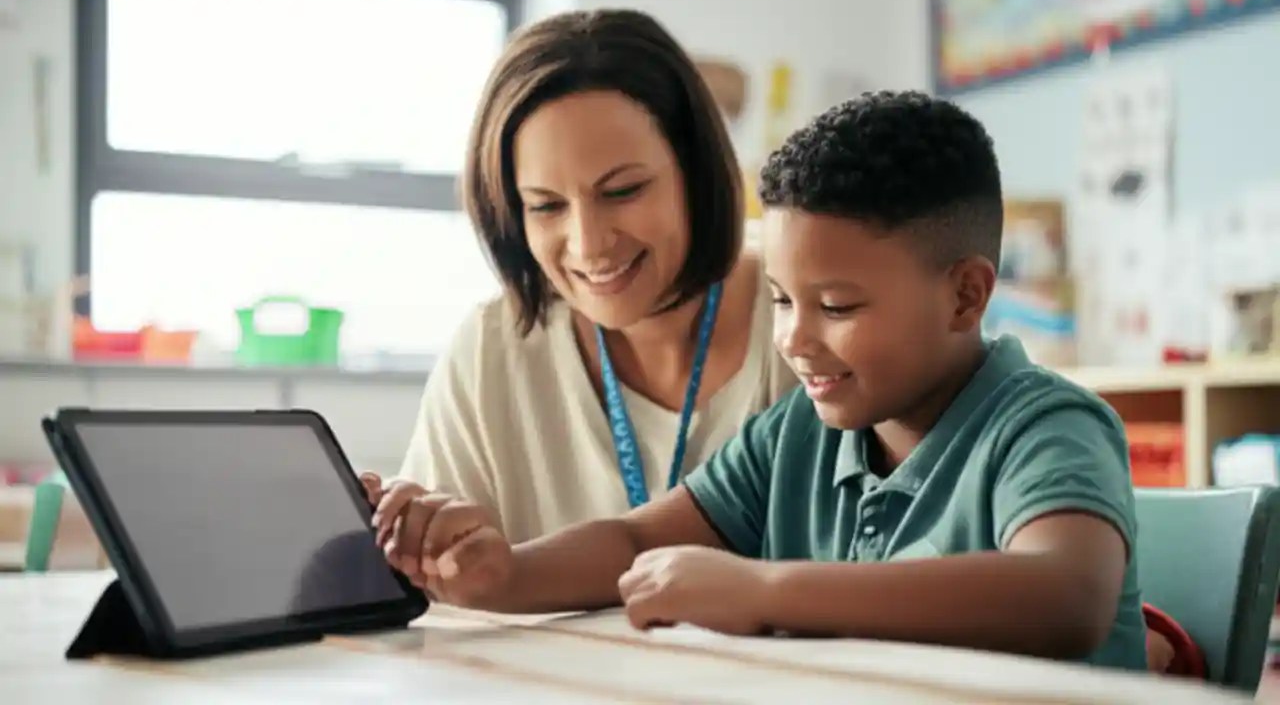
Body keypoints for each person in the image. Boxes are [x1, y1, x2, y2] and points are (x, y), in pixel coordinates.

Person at [370, 91, 1148, 670]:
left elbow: (1063, 598)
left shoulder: (1044, 425)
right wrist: (505, 571)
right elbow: (638, 537)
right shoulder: (799, 435)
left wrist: (763, 590)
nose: (795, 340)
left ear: (967, 295)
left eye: (837, 306)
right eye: (781, 298)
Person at [362, 9, 795, 544]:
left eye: (622, 191)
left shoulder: (804, 316)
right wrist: (410, 543)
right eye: (545, 206)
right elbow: (440, 593)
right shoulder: (492, 351)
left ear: (695, 173)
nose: (589, 245)